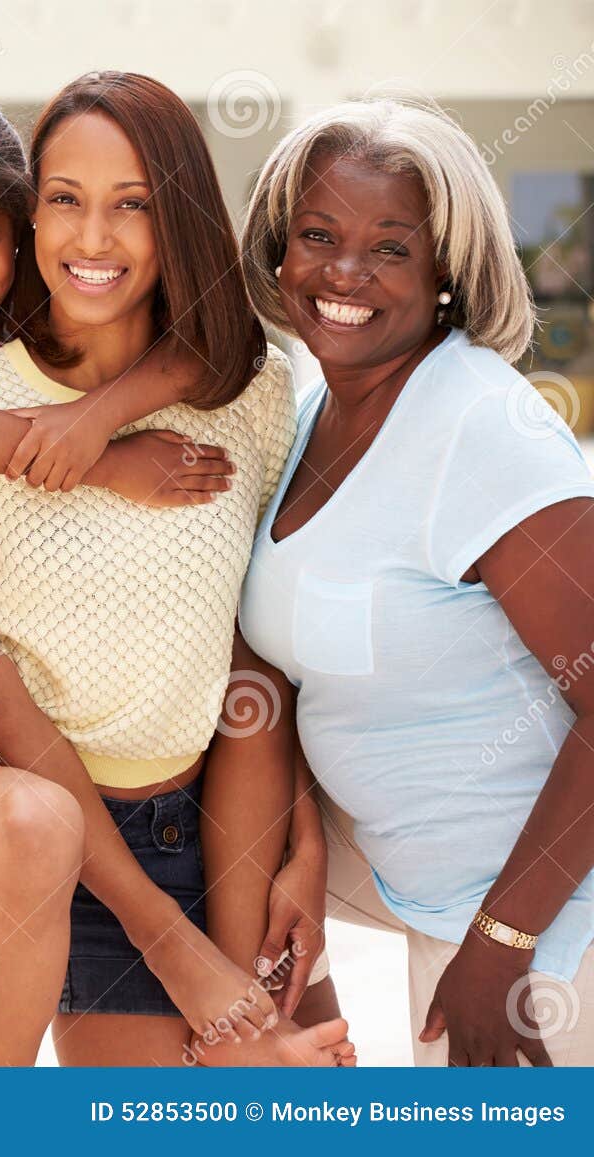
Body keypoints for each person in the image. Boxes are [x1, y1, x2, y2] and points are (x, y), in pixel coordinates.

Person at [0, 73, 353, 1065]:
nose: (92, 237)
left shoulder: (249, 394)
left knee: (301, 1107)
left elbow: (259, 643)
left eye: (131, 205)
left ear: (178, 221)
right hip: (14, 823)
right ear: (29, 215)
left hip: (209, 835)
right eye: (66, 201)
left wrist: (305, 845)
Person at [238, 97, 594, 1065]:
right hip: (406, 872)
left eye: (389, 249)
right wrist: (299, 856)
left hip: (546, 916)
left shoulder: (481, 427)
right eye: (318, 235)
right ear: (280, 247)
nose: (343, 274)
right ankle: (304, 1066)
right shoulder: (311, 410)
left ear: (444, 273)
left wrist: (502, 941)